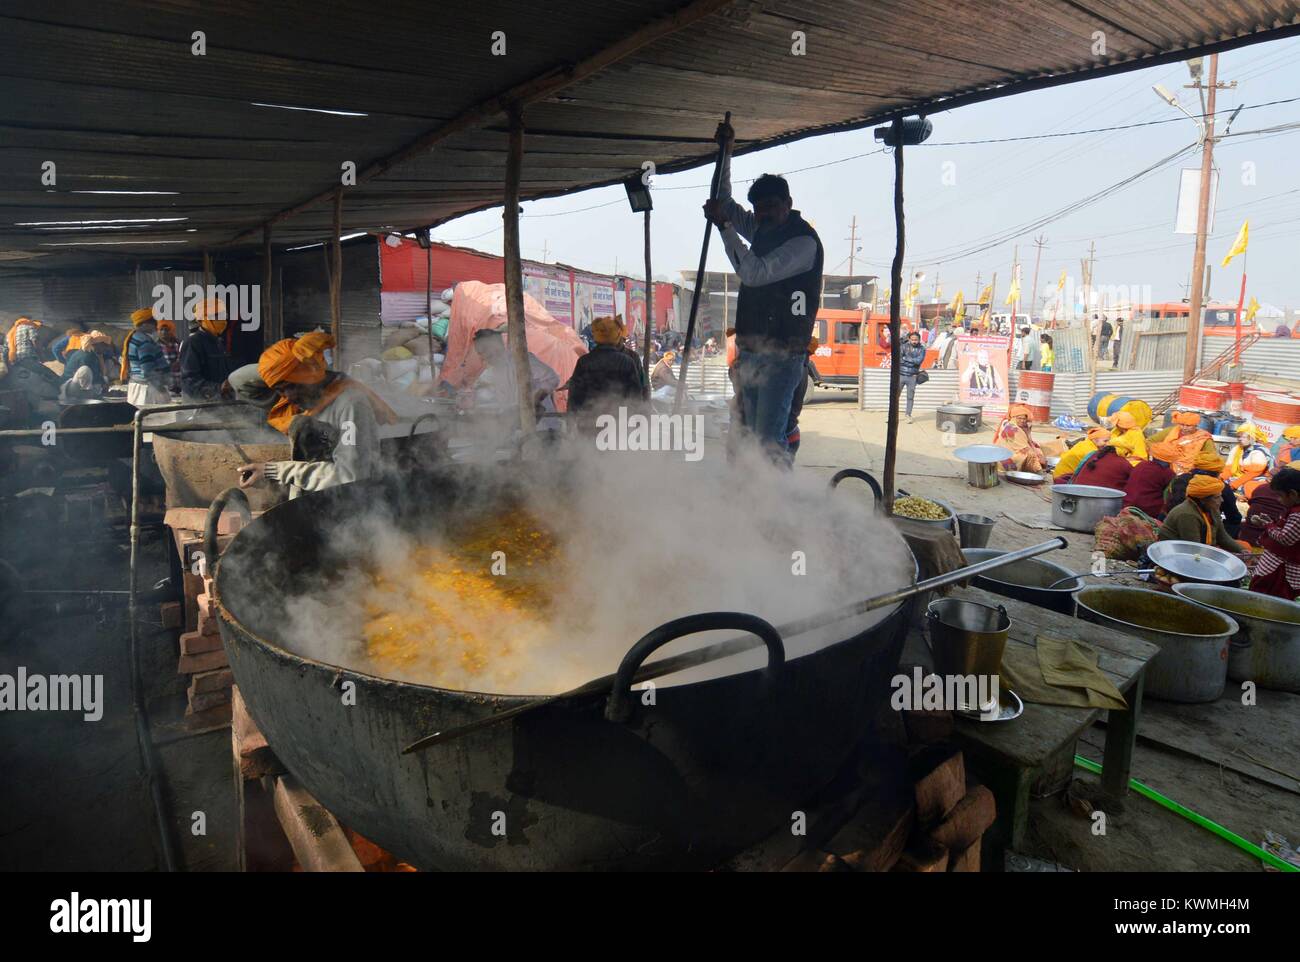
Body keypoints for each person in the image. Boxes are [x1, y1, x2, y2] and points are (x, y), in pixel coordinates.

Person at [702, 120, 823, 465]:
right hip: (751, 353)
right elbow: (724, 202)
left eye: (772, 206)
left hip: (783, 357)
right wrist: (725, 152)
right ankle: (744, 504)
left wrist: (724, 227)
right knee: (742, 436)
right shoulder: (763, 229)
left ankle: (776, 512)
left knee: (769, 442)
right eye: (759, 209)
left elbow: (754, 273)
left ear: (788, 203)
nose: (764, 214)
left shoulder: (803, 243)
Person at [237, 336, 397, 498]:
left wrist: (274, 471)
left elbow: (349, 476)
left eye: (291, 386)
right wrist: (279, 365)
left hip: (346, 511)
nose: (288, 396)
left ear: (310, 375)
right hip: (313, 505)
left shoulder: (350, 404)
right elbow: (238, 381)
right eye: (280, 389)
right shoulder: (303, 401)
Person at [566, 315, 645, 432]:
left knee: (589, 449)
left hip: (589, 423)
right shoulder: (627, 361)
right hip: (619, 422)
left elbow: (575, 395)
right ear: (616, 336)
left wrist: (571, 421)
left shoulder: (584, 361)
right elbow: (635, 395)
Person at [469, 327, 561, 419]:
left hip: (541, 426)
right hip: (513, 428)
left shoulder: (521, 359)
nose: (483, 356)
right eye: (480, 353)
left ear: (497, 345)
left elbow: (552, 378)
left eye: (485, 350)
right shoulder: (488, 374)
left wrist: (535, 400)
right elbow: (484, 398)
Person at [1246, 467, 1300, 601]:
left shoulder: (1298, 515)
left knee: (1268, 598)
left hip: (1281, 568)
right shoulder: (1292, 510)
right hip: (1274, 564)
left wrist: (1267, 525)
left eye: (1280, 496)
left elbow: (1285, 538)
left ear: (1292, 494)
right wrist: (1270, 522)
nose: (1278, 500)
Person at [1157, 474, 1246, 554]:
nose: (1221, 500)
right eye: (1217, 498)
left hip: (1197, 549)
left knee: (1245, 546)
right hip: (1175, 552)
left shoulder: (1212, 509)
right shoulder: (1187, 514)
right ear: (1203, 500)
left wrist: (1241, 550)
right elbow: (1194, 550)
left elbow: (1222, 536)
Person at [179, 299, 235, 401]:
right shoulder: (193, 343)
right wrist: (219, 388)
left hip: (220, 405)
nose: (223, 320)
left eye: (224, 316)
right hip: (200, 407)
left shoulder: (218, 342)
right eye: (217, 316)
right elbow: (189, 381)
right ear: (202, 319)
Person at [121, 307, 171, 407]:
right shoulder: (144, 342)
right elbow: (148, 370)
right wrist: (160, 388)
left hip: (137, 386)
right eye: (153, 322)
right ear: (144, 324)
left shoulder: (135, 337)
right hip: (146, 390)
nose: (156, 325)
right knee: (151, 419)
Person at [1147, 410, 1214, 474]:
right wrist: (1163, 451)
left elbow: (1211, 456)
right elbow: (1150, 441)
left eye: (1188, 426)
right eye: (1182, 425)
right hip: (1164, 465)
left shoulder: (1203, 437)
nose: (1184, 428)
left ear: (1196, 425)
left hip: (1189, 469)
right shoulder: (1171, 430)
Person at [58, 332, 113, 401]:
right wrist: (102, 386)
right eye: (104, 346)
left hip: (78, 386)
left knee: (104, 380)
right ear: (96, 345)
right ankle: (81, 398)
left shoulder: (93, 355)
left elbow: (97, 374)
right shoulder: (86, 356)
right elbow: (90, 377)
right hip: (68, 388)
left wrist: (103, 383)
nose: (106, 348)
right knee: (85, 370)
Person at [1222, 422, 1274, 497]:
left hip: (1257, 478)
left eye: (1243, 437)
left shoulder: (1259, 452)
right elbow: (1229, 467)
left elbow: (1253, 473)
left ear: (1252, 437)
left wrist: (1234, 484)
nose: (1240, 439)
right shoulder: (1237, 449)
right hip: (1239, 476)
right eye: (1239, 437)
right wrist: (1221, 478)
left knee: (1250, 486)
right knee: (1220, 482)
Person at [995, 404, 1046, 473]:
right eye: (1019, 418)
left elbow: (1029, 441)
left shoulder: (1014, 425)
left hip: (1004, 454)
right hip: (1006, 457)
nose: (1022, 421)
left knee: (1037, 448)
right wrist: (1038, 457)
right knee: (1030, 455)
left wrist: (1028, 433)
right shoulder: (1014, 429)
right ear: (1013, 418)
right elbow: (1025, 448)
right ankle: (1039, 472)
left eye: (1024, 418)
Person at [897, 330, 927, 424]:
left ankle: (908, 415)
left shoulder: (922, 349)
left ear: (919, 340)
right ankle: (892, 415)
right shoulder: (903, 346)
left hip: (913, 376)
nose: (914, 341)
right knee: (895, 396)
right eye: (912, 339)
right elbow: (899, 359)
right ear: (909, 339)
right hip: (901, 374)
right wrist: (911, 361)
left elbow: (918, 361)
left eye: (916, 339)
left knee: (910, 397)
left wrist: (906, 359)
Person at [157, 319, 182, 393]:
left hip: (180, 383)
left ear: (171, 331)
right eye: (161, 330)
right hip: (164, 385)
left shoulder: (179, 344)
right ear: (158, 331)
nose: (164, 332)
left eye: (166, 330)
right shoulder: (155, 346)